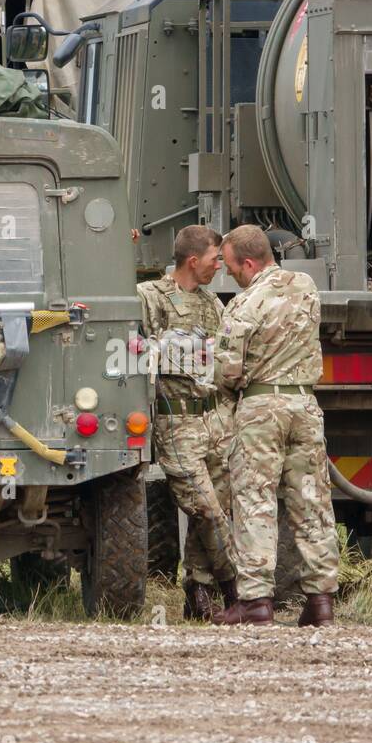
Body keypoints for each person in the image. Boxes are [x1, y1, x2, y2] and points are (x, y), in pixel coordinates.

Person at [210, 224, 339, 627]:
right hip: (305, 406)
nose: (229, 273)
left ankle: (256, 602)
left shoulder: (242, 305)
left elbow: (227, 372)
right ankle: (320, 601)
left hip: (261, 410)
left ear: (248, 264)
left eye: (231, 267)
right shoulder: (306, 287)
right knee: (312, 501)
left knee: (255, 502)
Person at [137, 225, 237, 621]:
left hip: (214, 420)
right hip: (176, 422)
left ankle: (198, 592)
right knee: (205, 509)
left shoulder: (212, 303)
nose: (220, 266)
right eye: (215, 259)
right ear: (193, 261)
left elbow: (225, 355)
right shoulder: (150, 297)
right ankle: (238, 590)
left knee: (214, 511)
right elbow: (133, 346)